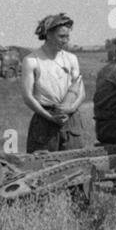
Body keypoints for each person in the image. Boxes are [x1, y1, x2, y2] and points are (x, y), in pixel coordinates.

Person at [21, 13, 91, 152]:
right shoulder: (31, 60)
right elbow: (27, 97)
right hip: (44, 121)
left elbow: (81, 91)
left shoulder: (71, 59)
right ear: (48, 35)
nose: (65, 41)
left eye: (67, 37)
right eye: (61, 36)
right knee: (43, 167)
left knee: (76, 165)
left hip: (71, 121)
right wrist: (50, 117)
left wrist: (71, 109)